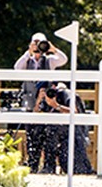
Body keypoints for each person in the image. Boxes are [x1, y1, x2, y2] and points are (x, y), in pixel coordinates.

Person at [14, 32, 68, 173]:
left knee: (49, 135)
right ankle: (33, 164)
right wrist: (28, 52)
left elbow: (63, 59)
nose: (38, 46)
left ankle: (48, 166)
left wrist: (52, 48)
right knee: (32, 135)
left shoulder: (49, 60)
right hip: (30, 101)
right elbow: (16, 68)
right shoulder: (27, 61)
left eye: (41, 43)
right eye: (36, 43)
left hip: (46, 102)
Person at [37, 82, 93, 174]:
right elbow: (36, 113)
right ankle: (48, 166)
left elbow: (74, 111)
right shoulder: (46, 98)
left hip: (72, 131)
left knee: (52, 130)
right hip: (56, 132)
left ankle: (50, 166)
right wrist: (39, 100)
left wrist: (56, 105)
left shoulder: (66, 94)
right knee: (45, 130)